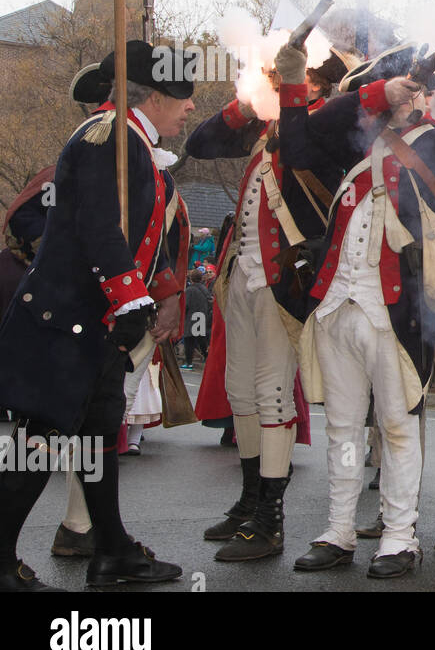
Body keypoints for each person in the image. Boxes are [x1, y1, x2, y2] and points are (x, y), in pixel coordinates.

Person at [280, 39, 435, 579]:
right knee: (343, 428)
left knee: (397, 424)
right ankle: (340, 529)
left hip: (398, 308)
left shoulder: (433, 145)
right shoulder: (351, 145)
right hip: (338, 303)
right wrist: (304, 84)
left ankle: (398, 535)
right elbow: (297, 144)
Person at [0, 40, 191, 590]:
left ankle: (111, 552)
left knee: (98, 433)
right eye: (183, 96)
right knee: (44, 439)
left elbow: (136, 239)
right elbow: (98, 227)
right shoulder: (106, 137)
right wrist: (131, 298)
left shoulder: (133, 143)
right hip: (67, 319)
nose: (189, 107)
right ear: (154, 95)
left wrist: (139, 297)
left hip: (96, 320)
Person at [185, 42, 349, 562]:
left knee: (272, 393)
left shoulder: (324, 128)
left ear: (314, 84)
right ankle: (249, 500)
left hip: (285, 278)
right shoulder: (266, 126)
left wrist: (291, 93)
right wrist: (249, 103)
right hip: (242, 274)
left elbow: (303, 152)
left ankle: (270, 520)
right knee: (241, 392)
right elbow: (201, 143)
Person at [182, 268, 212, 369]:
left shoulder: (190, 290)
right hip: (202, 316)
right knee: (201, 340)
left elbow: (186, 305)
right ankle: (207, 358)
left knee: (189, 341)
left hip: (192, 317)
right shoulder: (204, 288)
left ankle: (189, 362)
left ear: (191, 278)